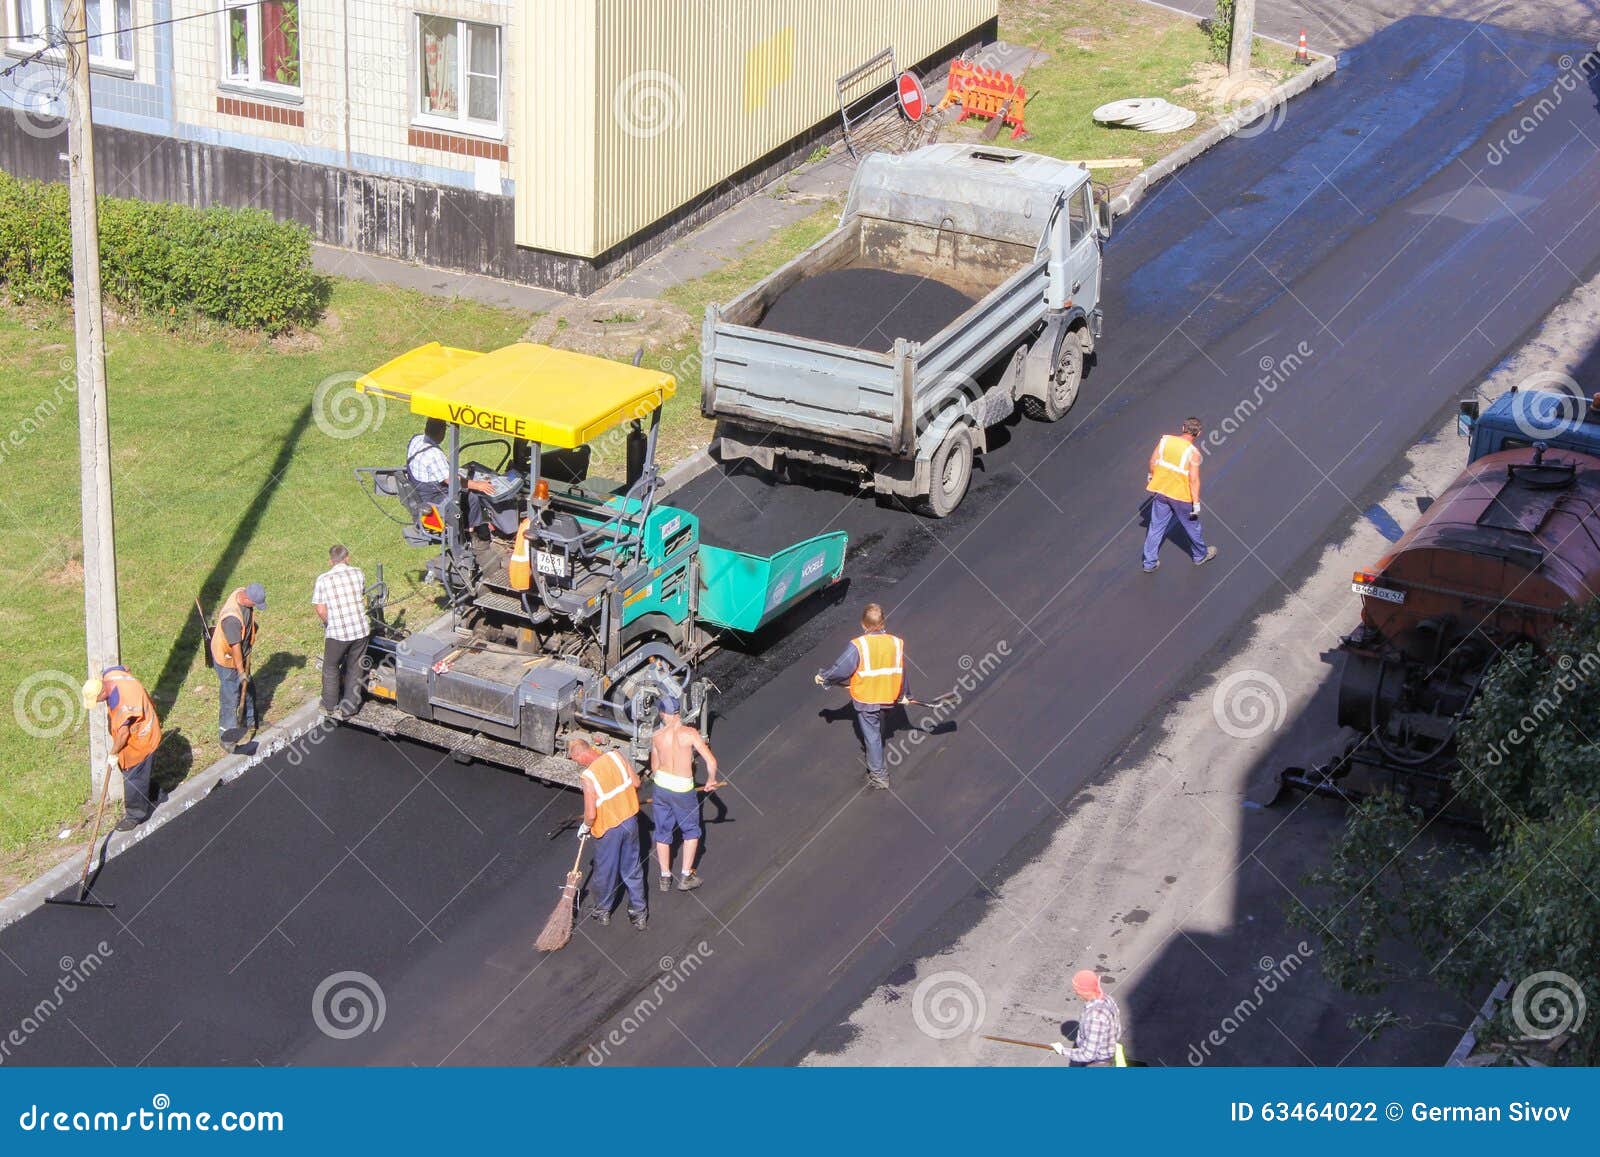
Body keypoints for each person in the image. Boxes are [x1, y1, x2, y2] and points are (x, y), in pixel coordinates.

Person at [815, 602, 907, 791]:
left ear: (864, 625)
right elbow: (902, 670)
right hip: (888, 697)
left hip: (867, 699)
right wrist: (904, 694)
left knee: (872, 736)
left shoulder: (859, 645)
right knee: (878, 727)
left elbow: (841, 669)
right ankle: (877, 754)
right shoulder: (896, 642)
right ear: (883, 622)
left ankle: (879, 776)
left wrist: (824, 677)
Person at [572, 737, 648, 930]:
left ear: (580, 754)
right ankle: (639, 914)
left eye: (575, 759)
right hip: (630, 821)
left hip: (608, 829)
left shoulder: (588, 777)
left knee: (606, 870)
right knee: (632, 867)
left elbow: (590, 813)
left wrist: (585, 827)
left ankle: (603, 910)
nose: (576, 763)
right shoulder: (616, 756)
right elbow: (637, 783)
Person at [649, 695, 722, 893]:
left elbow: (654, 768)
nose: (661, 715)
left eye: (661, 712)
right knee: (691, 831)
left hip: (661, 787)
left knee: (662, 831)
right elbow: (711, 761)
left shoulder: (656, 736)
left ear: (665, 714)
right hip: (682, 789)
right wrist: (711, 780)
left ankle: (665, 877)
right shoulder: (690, 734)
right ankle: (685, 875)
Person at [82, 666, 161, 831]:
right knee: (140, 772)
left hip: (142, 737)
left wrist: (113, 753)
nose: (97, 703)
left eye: (97, 699)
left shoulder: (123, 705)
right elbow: (124, 668)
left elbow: (123, 734)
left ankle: (135, 816)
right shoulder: (110, 675)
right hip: (142, 723)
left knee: (133, 774)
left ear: (102, 692)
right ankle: (156, 794)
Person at [1142, 416, 1218, 573]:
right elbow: (1194, 480)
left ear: (1183, 427)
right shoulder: (1193, 453)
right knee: (1192, 527)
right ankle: (1200, 555)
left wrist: (1151, 475)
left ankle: (1149, 563)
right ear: (1199, 433)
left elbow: (1153, 460)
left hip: (1161, 491)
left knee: (1156, 527)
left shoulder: (1165, 440)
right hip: (1181, 497)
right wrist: (1196, 503)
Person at [406, 418, 496, 532]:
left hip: (419, 490)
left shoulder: (416, 439)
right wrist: (479, 485)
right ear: (441, 432)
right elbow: (452, 481)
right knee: (472, 497)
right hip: (432, 498)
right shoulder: (434, 454)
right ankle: (472, 533)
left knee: (467, 486)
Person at [312, 545, 370, 721]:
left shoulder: (323, 579)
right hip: (360, 630)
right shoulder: (358, 573)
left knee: (330, 667)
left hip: (337, 633)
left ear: (331, 561)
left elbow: (321, 609)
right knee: (355, 667)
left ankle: (330, 705)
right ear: (348, 558)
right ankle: (350, 708)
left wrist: (328, 623)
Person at [210, 582, 264, 750]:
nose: (255, 607)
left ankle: (250, 722)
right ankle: (227, 737)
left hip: (241, 653)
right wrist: (241, 672)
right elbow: (235, 649)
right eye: (254, 604)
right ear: (246, 598)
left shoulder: (241, 592)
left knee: (249, 689)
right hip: (228, 660)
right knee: (230, 697)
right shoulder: (232, 619)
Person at [1051, 970, 1124, 1066]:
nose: (1075, 992)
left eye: (1076, 989)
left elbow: (1088, 1055)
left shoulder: (1095, 1018)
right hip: (1109, 1053)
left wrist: (1062, 1050)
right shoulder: (1107, 999)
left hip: (1098, 1063)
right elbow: (1117, 1031)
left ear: (1082, 991)